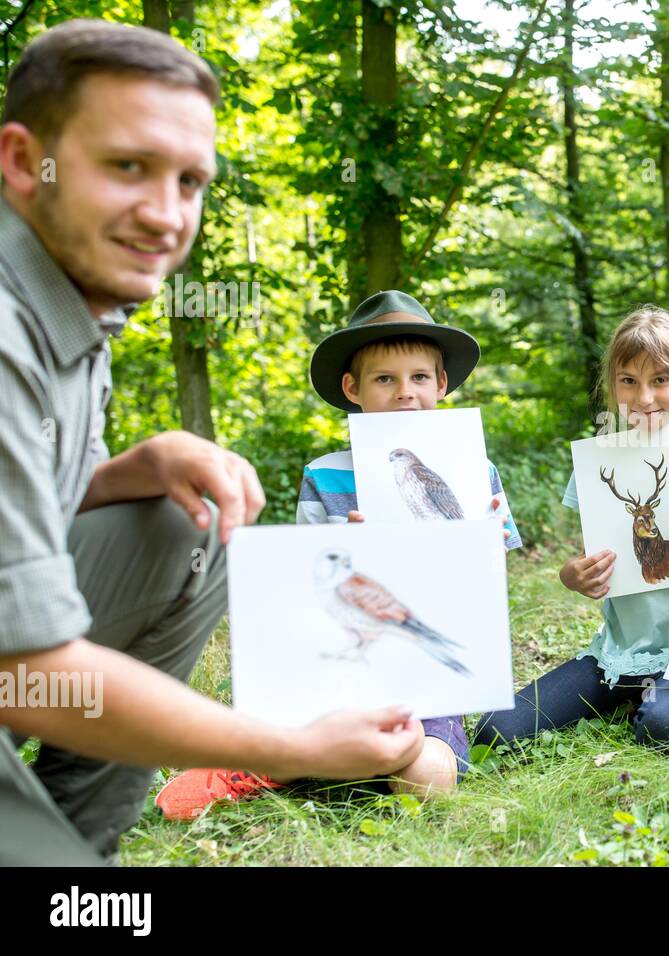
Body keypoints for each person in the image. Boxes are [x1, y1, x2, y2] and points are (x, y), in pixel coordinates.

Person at [0, 20, 422, 865]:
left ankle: (84, 844)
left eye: (190, 180)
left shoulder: (79, 306)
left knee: (188, 520)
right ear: (21, 162)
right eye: (128, 166)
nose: (165, 214)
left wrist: (137, 466)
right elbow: (25, 670)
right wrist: (293, 747)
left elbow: (32, 511)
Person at [154, 290, 522, 818]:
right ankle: (272, 758)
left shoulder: (474, 470)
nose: (405, 394)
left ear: (441, 385)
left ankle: (375, 754)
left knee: (428, 779)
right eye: (385, 380)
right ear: (353, 389)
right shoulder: (324, 473)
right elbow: (306, 587)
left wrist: (479, 542)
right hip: (347, 665)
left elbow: (487, 588)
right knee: (311, 721)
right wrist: (349, 546)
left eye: (419, 377)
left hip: (428, 678)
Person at [473, 305, 669, 751]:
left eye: (661, 380)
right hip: (617, 653)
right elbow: (593, 561)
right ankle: (632, 694)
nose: (644, 398)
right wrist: (573, 576)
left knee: (663, 730)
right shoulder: (598, 463)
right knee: (497, 731)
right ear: (611, 385)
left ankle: (655, 702)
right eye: (629, 381)